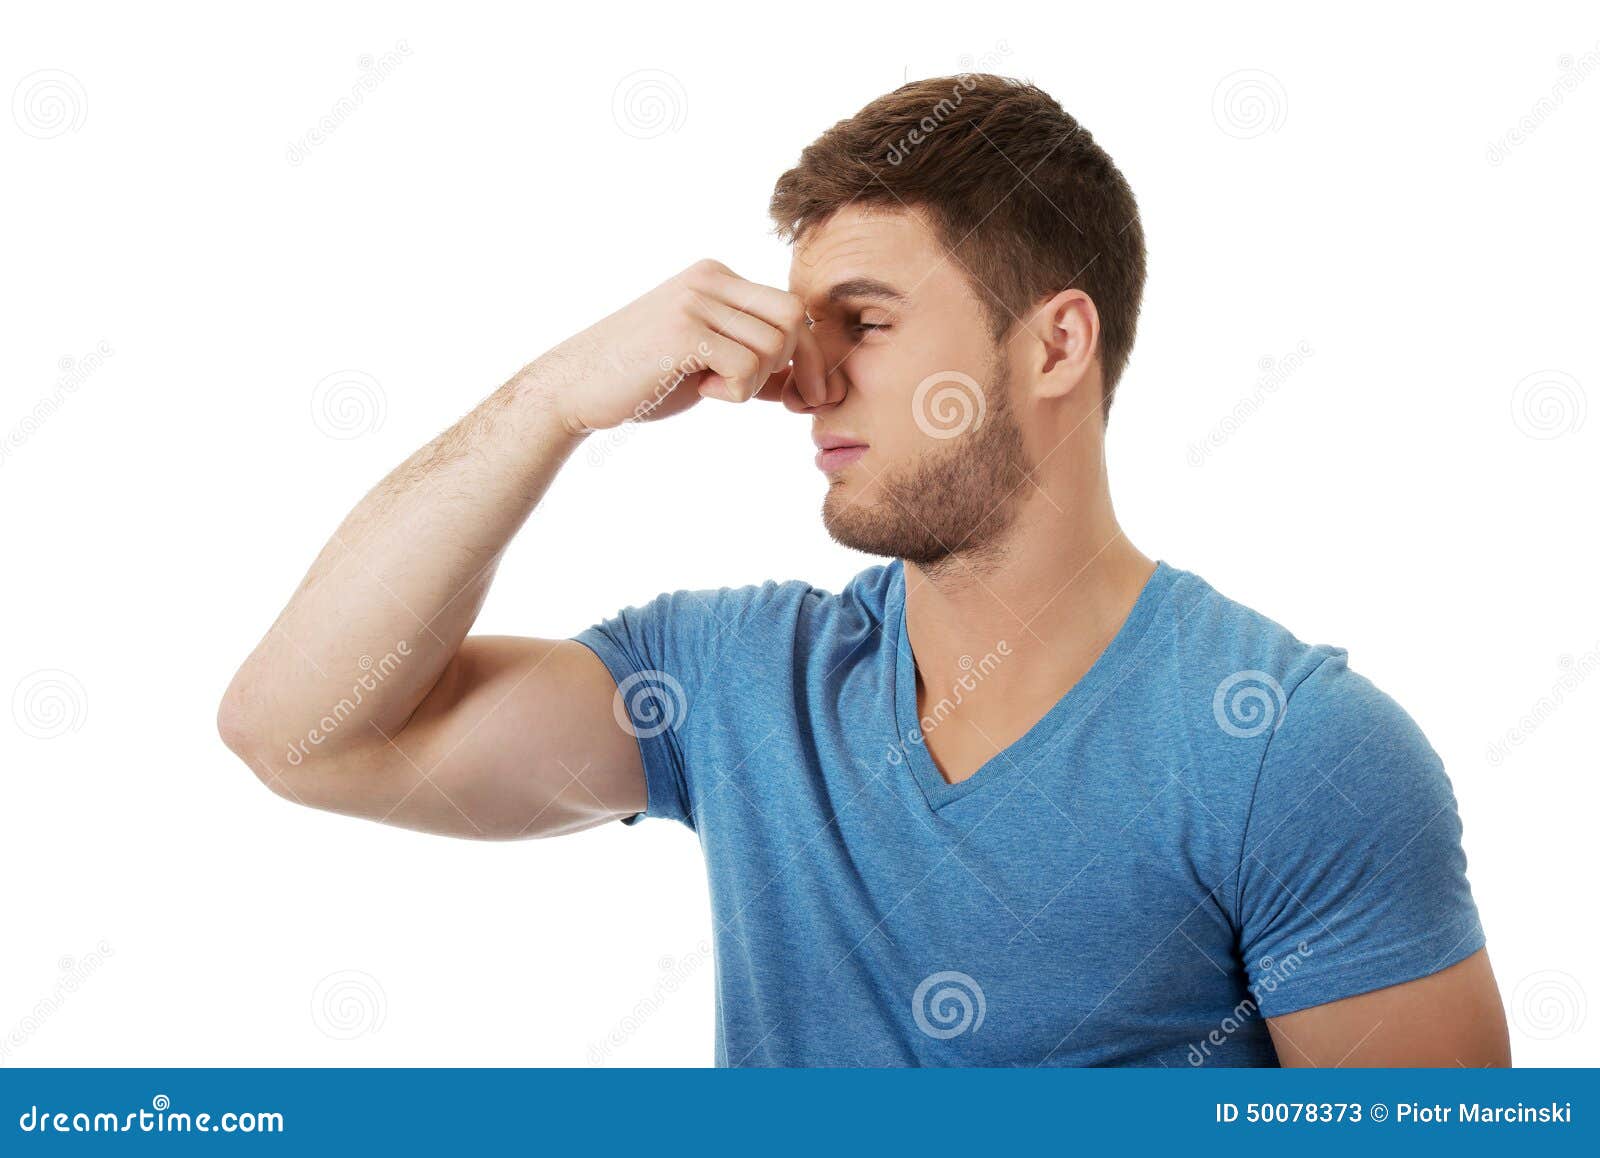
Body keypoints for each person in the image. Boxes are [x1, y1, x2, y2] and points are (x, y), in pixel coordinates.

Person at [219, 74, 1509, 1067]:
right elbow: (301, 738)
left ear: (1055, 345)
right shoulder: (729, 684)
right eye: (803, 328)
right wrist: (553, 402)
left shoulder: (1292, 751)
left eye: (868, 325)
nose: (806, 382)